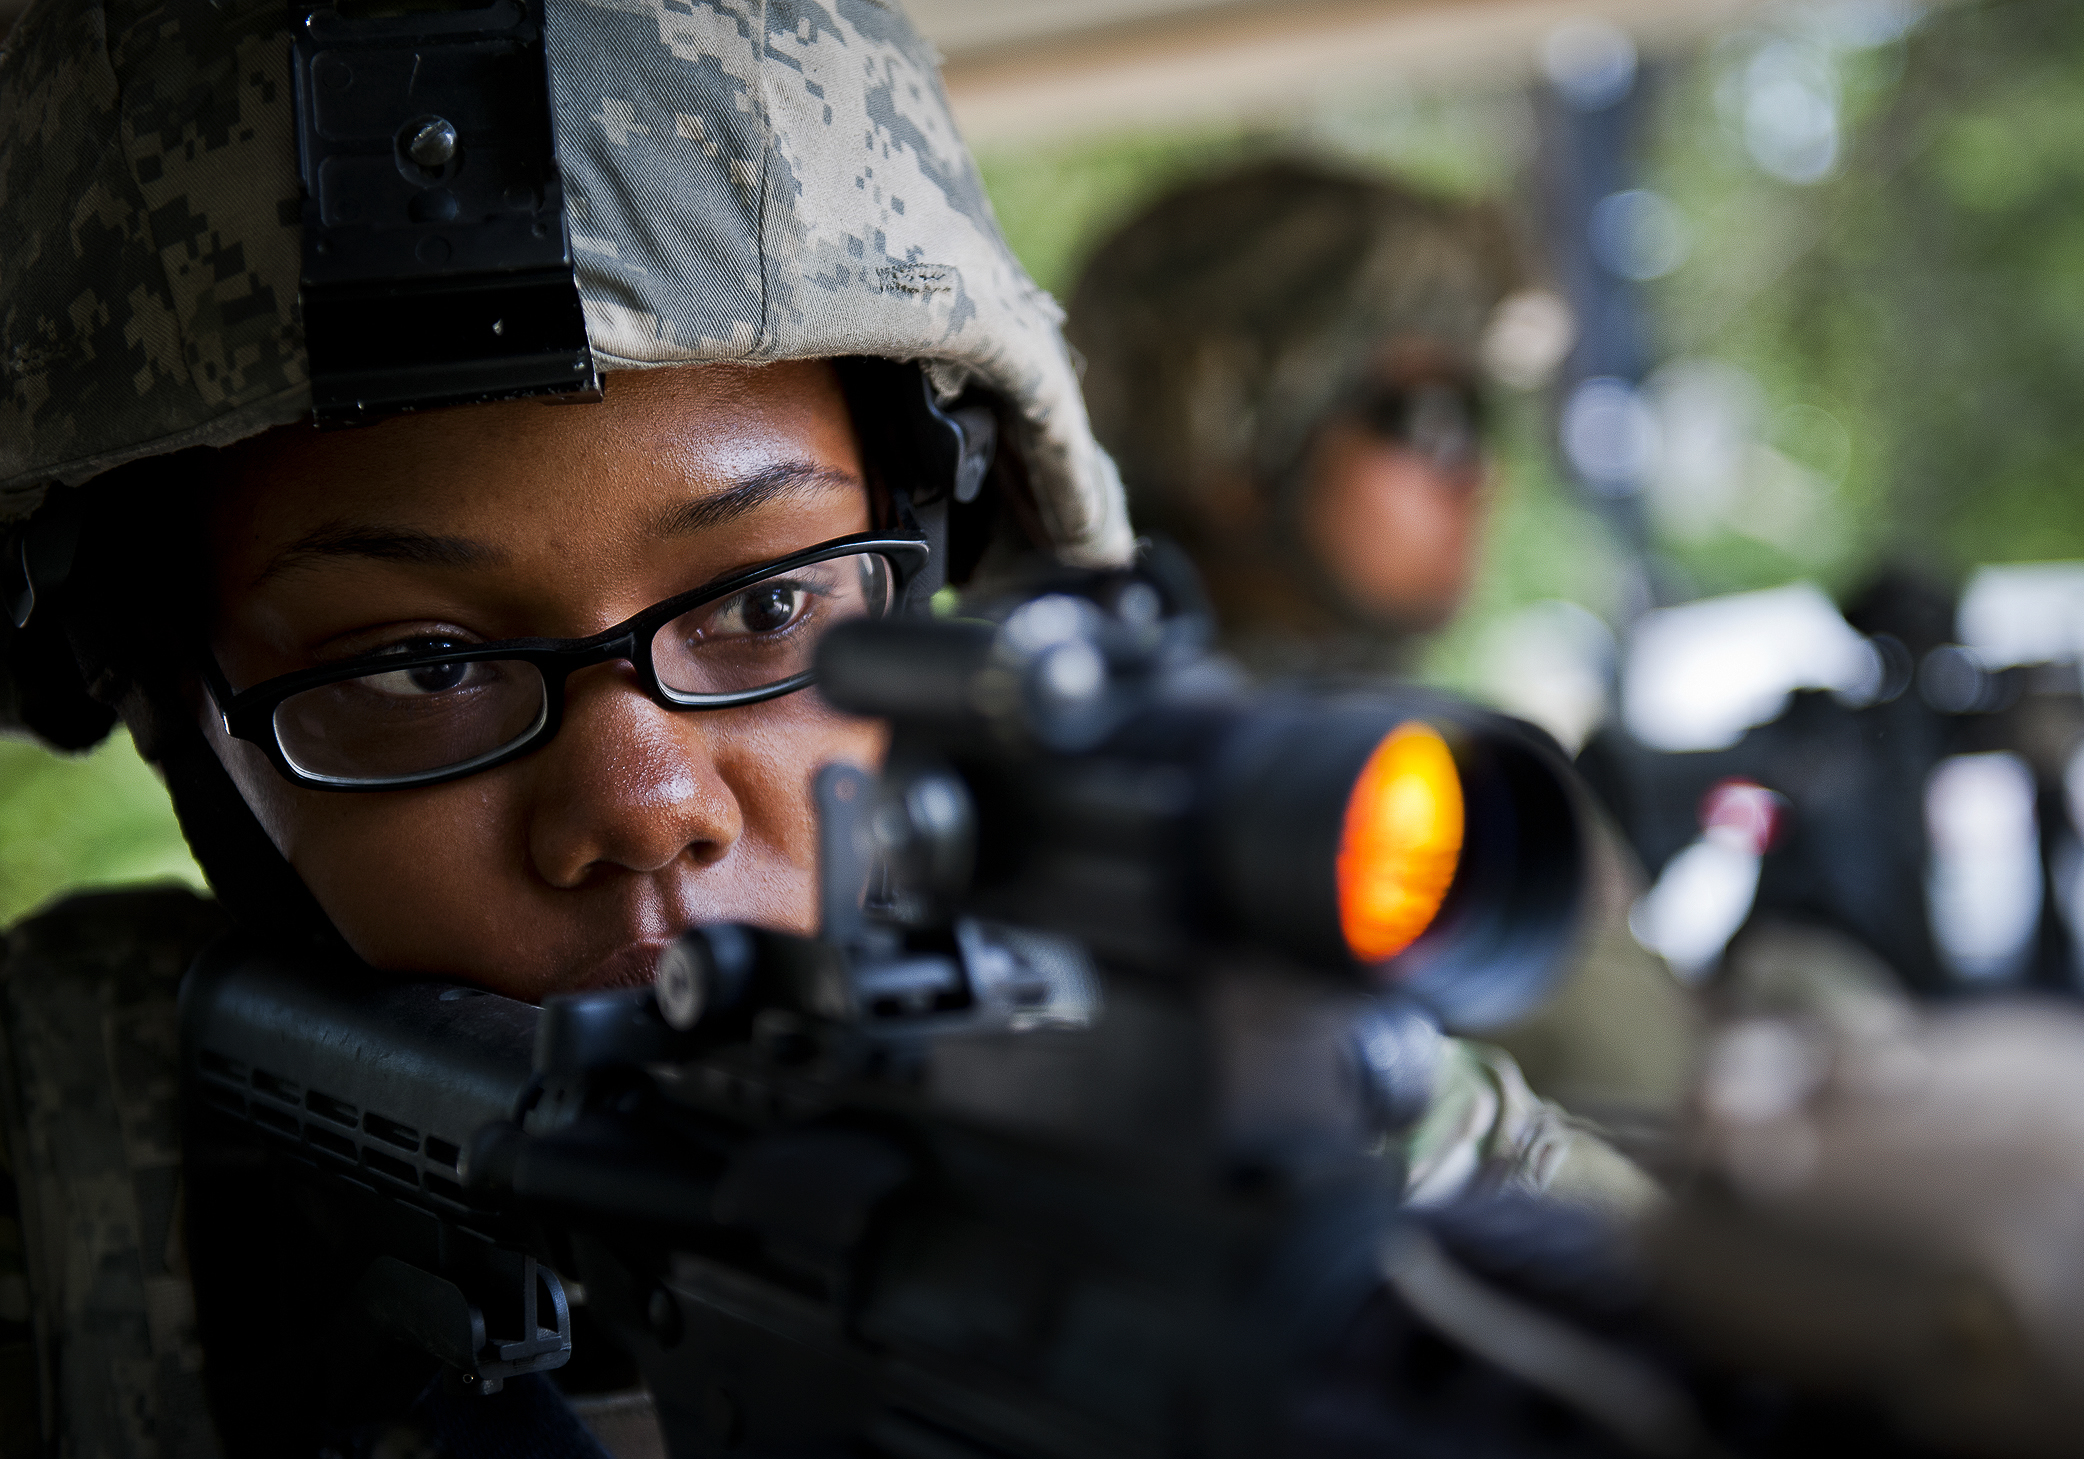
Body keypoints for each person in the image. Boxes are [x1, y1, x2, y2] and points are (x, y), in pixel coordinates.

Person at [0, 11, 1636, 1456]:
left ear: (940, 572)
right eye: (423, 664)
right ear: (166, 698)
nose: (645, 805)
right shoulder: (72, 1205)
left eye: (768, 608)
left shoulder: (1316, 1151)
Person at [1067, 160, 1699, 1140]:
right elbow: (1662, 1137)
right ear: (1234, 428)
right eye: (1432, 416)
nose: (1480, 474)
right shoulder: (1339, 778)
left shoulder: (1119, 726)